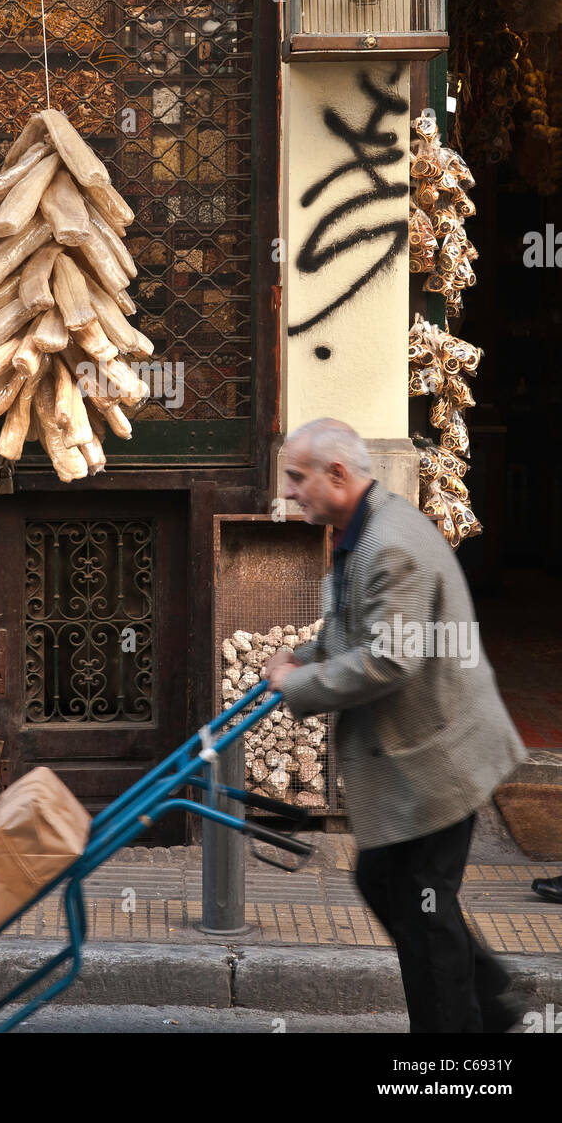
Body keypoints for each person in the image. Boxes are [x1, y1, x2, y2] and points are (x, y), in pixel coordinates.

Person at [263, 419, 527, 1034]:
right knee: (390, 881)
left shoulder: (388, 545)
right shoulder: (358, 531)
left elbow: (388, 658)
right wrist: (302, 657)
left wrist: (294, 685)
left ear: (337, 474)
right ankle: (491, 1003)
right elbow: (348, 629)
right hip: (424, 751)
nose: (290, 491)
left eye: (297, 477)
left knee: (419, 903)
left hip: (440, 757)